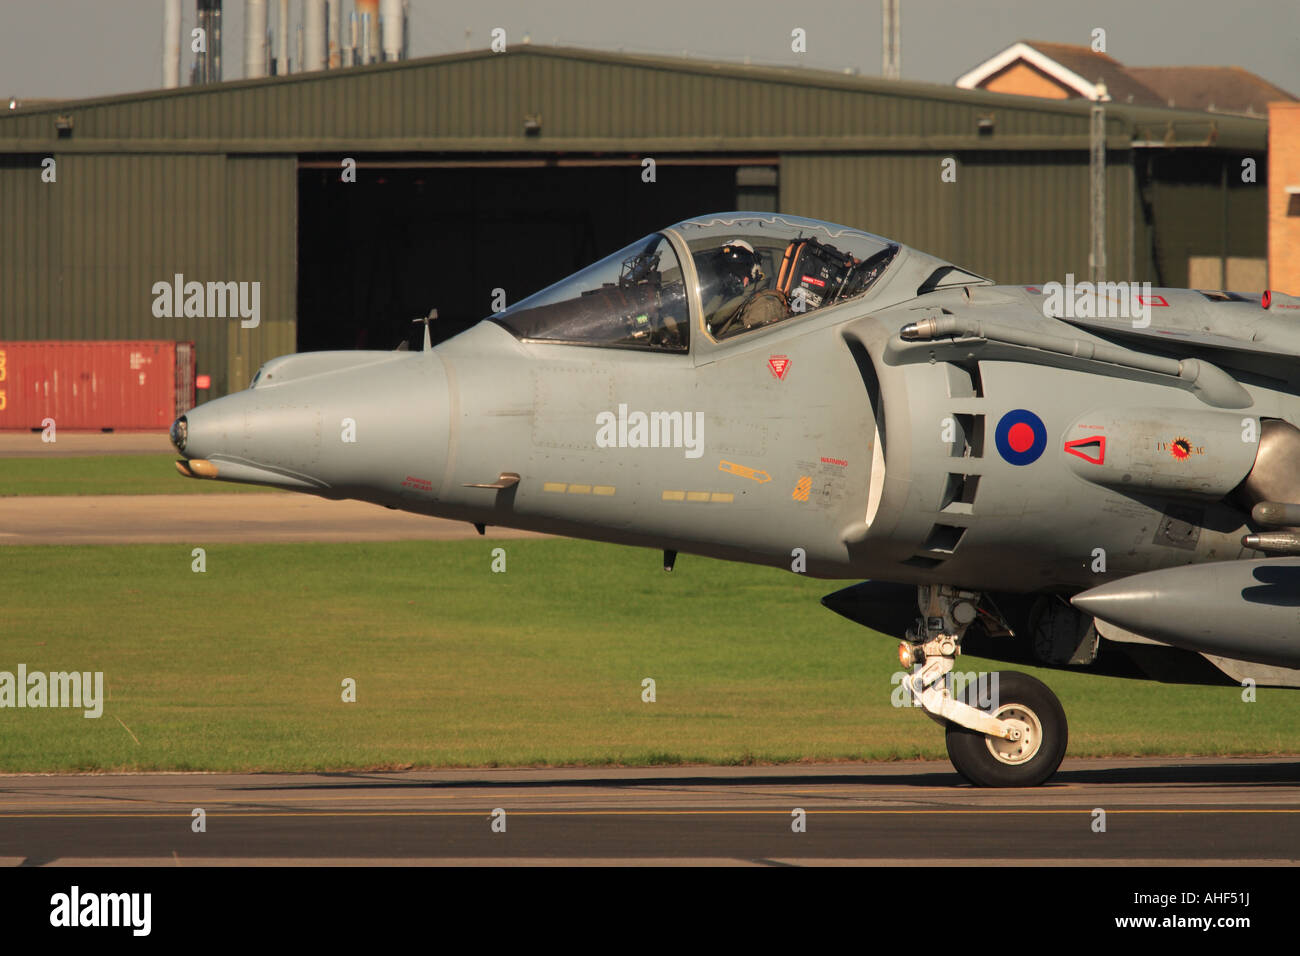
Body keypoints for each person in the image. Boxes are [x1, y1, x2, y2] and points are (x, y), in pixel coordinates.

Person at [702, 239, 788, 339]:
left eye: (738, 270)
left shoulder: (763, 305)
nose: (731, 277)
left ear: (754, 272)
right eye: (726, 272)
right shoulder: (718, 303)